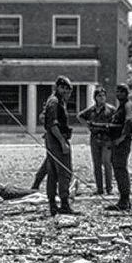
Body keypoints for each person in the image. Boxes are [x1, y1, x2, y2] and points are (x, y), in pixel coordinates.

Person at [43, 76, 75, 216]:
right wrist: (62, 142)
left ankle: (53, 205)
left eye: (68, 90)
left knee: (53, 173)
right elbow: (53, 124)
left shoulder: (55, 101)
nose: (66, 92)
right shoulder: (54, 102)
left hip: (52, 140)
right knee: (64, 172)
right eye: (63, 88)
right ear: (58, 87)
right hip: (57, 140)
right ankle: (64, 204)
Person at [77, 87, 115, 195]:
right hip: (95, 138)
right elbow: (80, 116)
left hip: (106, 139)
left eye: (103, 95)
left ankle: (109, 188)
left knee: (107, 163)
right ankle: (99, 188)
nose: (101, 98)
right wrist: (88, 125)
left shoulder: (111, 110)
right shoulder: (91, 110)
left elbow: (117, 121)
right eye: (99, 96)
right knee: (97, 164)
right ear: (95, 97)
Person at [106, 84, 132, 211]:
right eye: (117, 91)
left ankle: (125, 199)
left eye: (121, 92)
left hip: (122, 143)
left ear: (126, 93)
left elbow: (129, 121)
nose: (118, 94)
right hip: (117, 143)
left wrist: (122, 137)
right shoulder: (121, 107)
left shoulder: (128, 106)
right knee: (118, 168)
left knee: (120, 169)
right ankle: (123, 199)